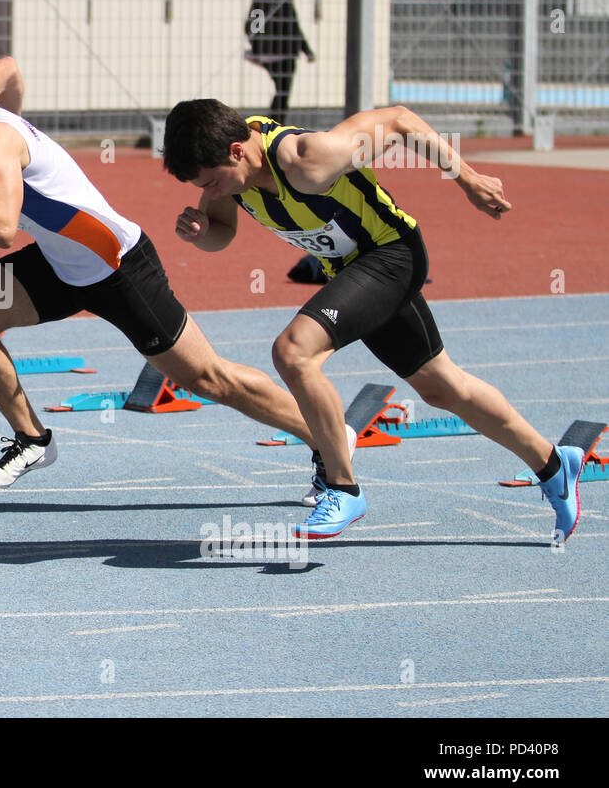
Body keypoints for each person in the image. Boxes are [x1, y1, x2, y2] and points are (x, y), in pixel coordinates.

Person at [0, 63, 326, 489]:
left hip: (117, 265)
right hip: (59, 265)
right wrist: (17, 131)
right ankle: (33, 440)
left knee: (209, 379)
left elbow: (0, 228)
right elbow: (11, 69)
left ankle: (325, 438)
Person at [162, 100, 583, 541]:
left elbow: (399, 120)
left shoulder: (307, 158)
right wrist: (201, 234)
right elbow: (222, 233)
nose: (210, 193)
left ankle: (342, 488)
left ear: (237, 151)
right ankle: (554, 464)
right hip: (353, 273)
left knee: (294, 352)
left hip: (392, 255)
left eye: (210, 183)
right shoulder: (231, 177)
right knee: (442, 387)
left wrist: (467, 178)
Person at [245, 0, 314, 125]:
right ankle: (273, 126)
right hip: (283, 51)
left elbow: (255, 17)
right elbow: (292, 23)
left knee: (281, 91)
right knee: (283, 92)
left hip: (269, 50)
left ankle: (271, 125)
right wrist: (306, 49)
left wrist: (257, 45)